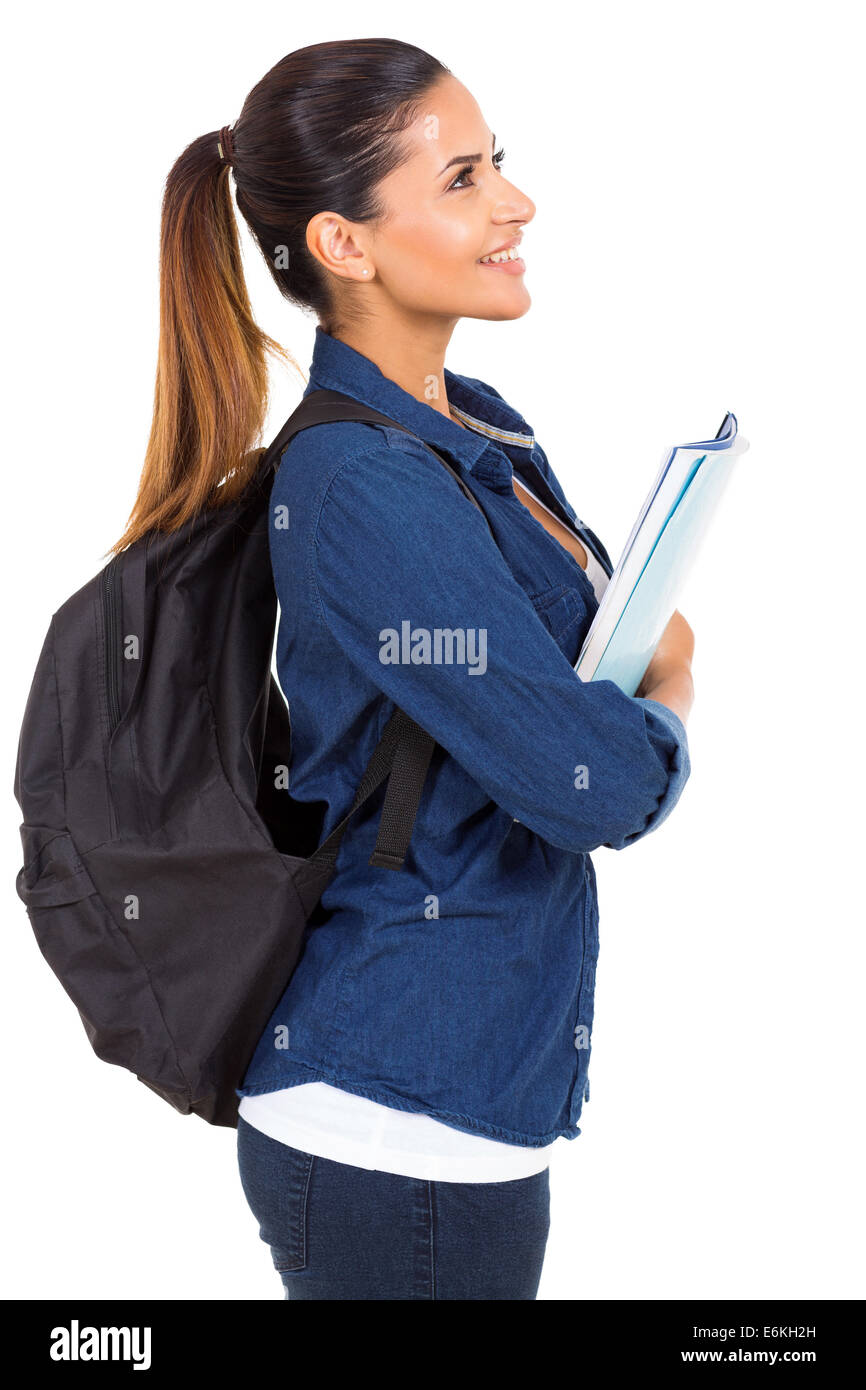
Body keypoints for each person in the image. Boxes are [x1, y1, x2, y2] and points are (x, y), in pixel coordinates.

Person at [114, 37, 694, 1300]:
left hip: (449, 1100)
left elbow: (536, 685)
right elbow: (584, 778)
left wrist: (611, 672)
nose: (514, 203)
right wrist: (670, 693)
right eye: (463, 178)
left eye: (502, 166)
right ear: (344, 244)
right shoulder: (365, 483)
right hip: (395, 1126)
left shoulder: (469, 424)